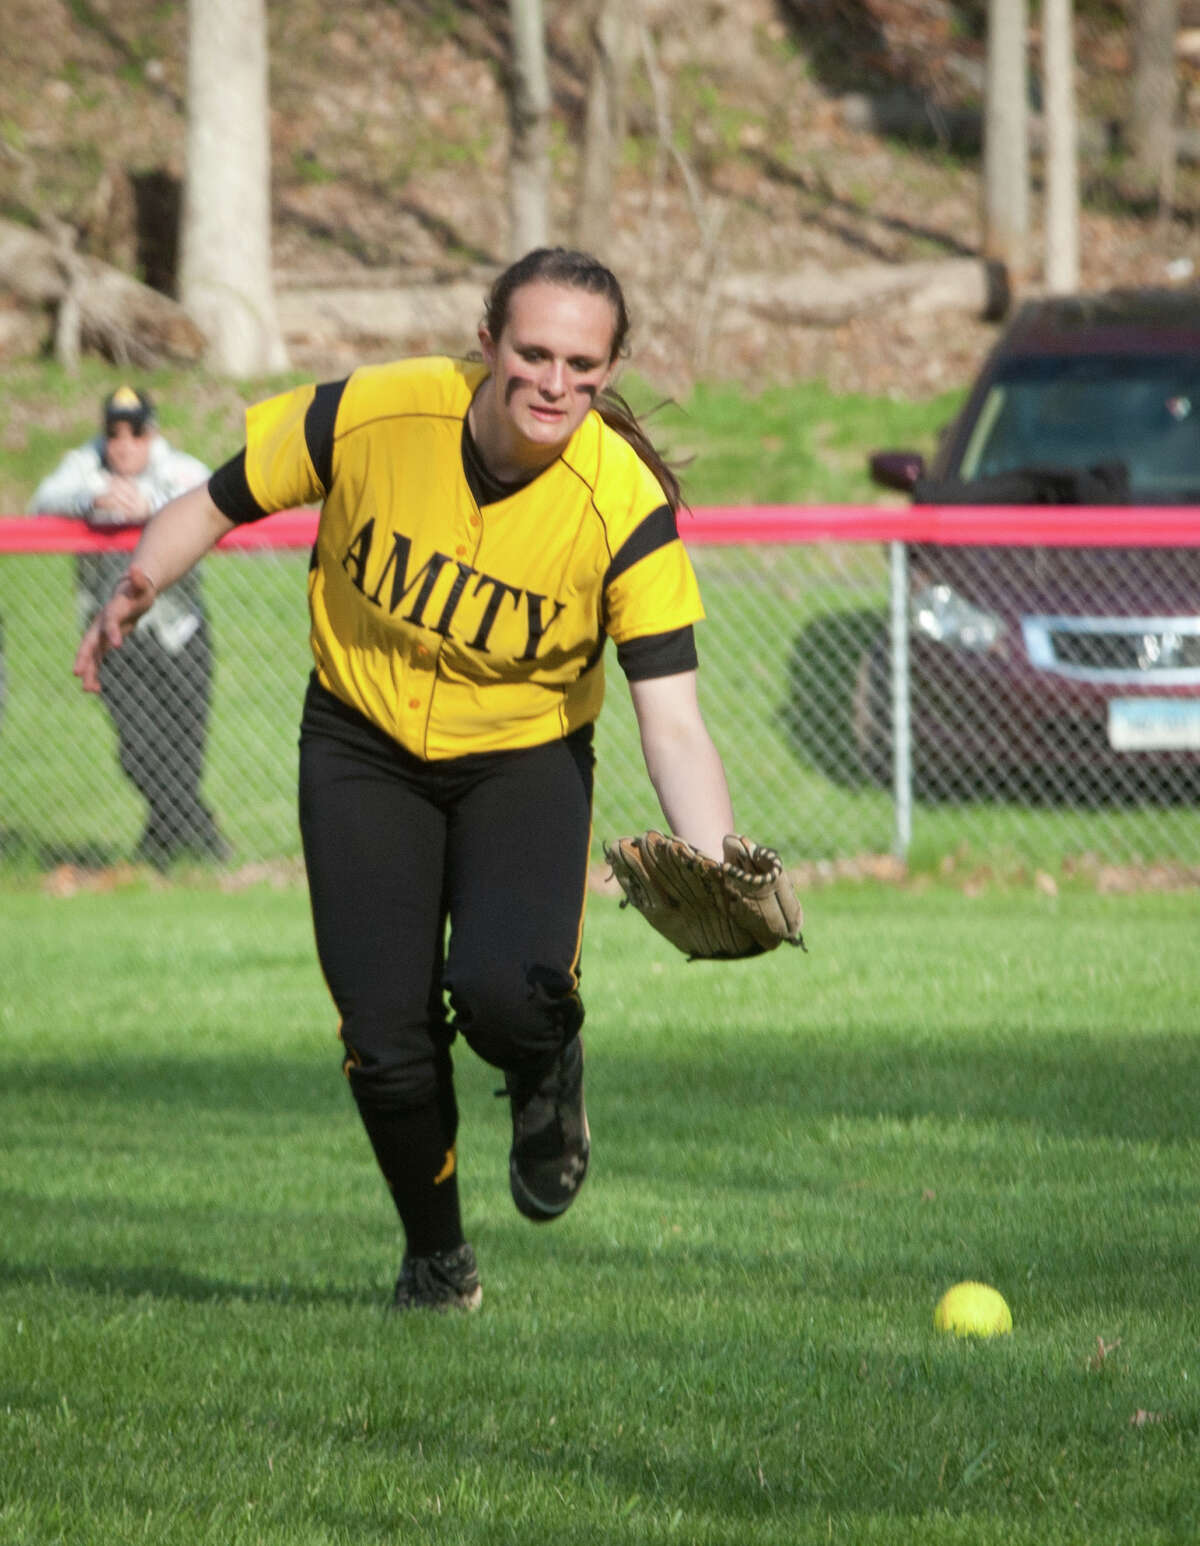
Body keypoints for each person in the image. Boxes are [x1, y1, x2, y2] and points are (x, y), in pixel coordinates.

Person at [74, 248, 738, 1312]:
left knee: (502, 994)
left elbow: (674, 720)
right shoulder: (379, 415)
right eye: (532, 352)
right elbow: (217, 498)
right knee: (383, 1035)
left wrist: (714, 858)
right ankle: (437, 1261)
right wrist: (141, 578)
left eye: (581, 362)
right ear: (487, 343)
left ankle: (545, 1071)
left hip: (522, 755)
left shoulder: (622, 504)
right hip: (361, 739)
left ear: (611, 372)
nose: (554, 382)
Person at [31, 386, 229, 866]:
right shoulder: (86, 466)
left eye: (136, 432)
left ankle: (161, 849)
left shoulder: (175, 467)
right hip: (116, 638)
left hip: (179, 631)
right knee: (140, 753)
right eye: (114, 433)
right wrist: (91, 498)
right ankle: (206, 841)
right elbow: (42, 502)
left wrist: (151, 504)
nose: (124, 444)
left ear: (151, 433)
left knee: (183, 754)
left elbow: (210, 489)